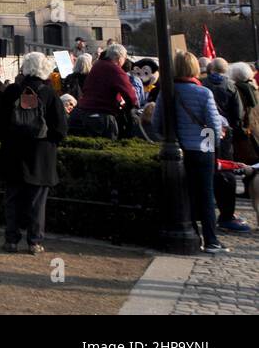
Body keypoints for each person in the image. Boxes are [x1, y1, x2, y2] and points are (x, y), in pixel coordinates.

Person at [153, 51, 228, 253]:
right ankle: (211, 240)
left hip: (178, 150)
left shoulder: (166, 92)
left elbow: (156, 122)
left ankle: (193, 233)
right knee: (205, 195)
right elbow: (213, 125)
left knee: (183, 194)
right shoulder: (204, 93)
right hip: (202, 149)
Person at [0, 51, 68, 254]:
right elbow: (61, 129)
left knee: (12, 199)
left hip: (13, 153)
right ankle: (34, 241)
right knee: (37, 202)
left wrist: (9, 140)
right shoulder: (49, 94)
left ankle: (11, 239)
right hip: (40, 155)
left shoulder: (11, 91)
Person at [203, 57, 250, 233]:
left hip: (204, 133)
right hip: (225, 134)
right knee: (225, 171)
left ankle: (207, 211)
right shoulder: (231, 87)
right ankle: (226, 214)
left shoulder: (203, 84)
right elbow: (237, 114)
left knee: (209, 169)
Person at [69, 44, 138, 138]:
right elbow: (130, 96)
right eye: (125, 58)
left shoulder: (96, 65)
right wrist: (128, 108)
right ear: (119, 58)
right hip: (103, 115)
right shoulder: (116, 70)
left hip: (83, 111)